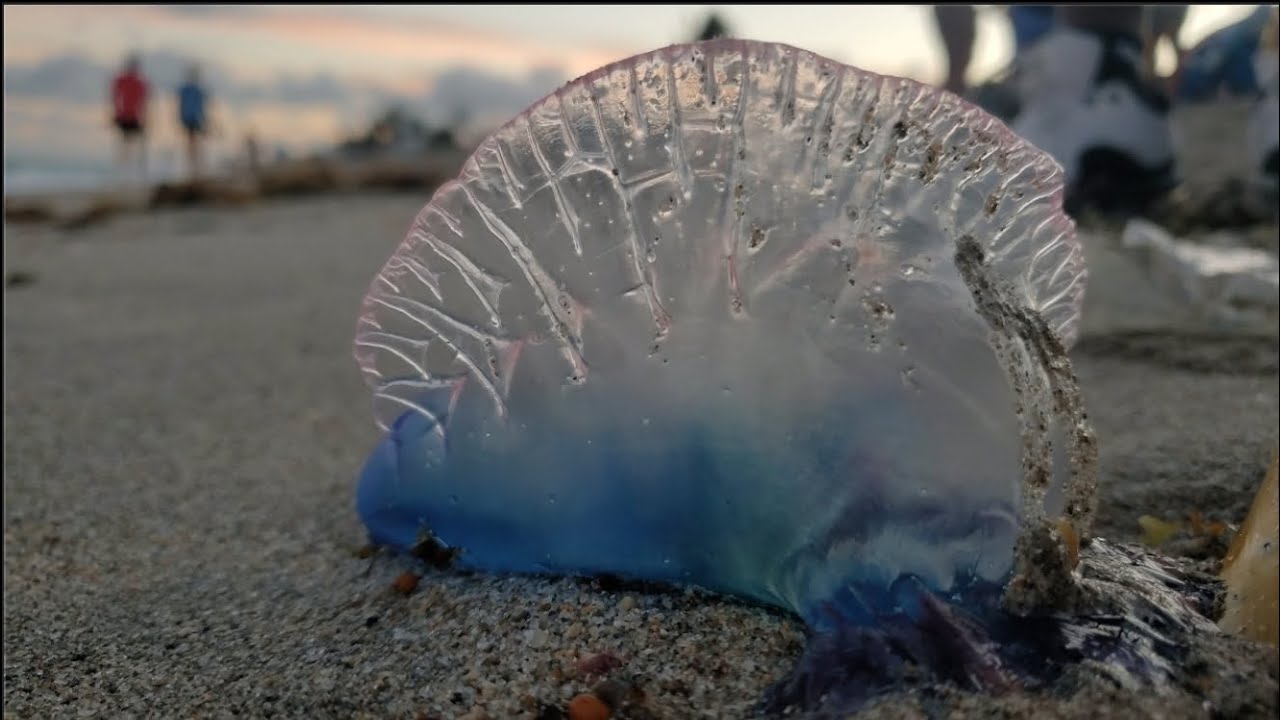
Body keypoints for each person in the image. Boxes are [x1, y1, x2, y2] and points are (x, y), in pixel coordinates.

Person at [110, 54, 149, 184]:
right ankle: (126, 171)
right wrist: (116, 111)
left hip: (131, 115)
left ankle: (132, 170)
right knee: (127, 142)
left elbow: (143, 101)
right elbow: (115, 96)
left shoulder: (138, 82)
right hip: (127, 115)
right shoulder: (126, 80)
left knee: (131, 142)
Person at [177, 64, 210, 181]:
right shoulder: (193, 90)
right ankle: (193, 167)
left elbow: (182, 105)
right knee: (193, 143)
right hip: (193, 119)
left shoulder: (189, 90)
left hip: (191, 119)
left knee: (193, 142)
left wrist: (180, 118)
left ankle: (194, 167)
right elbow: (201, 107)